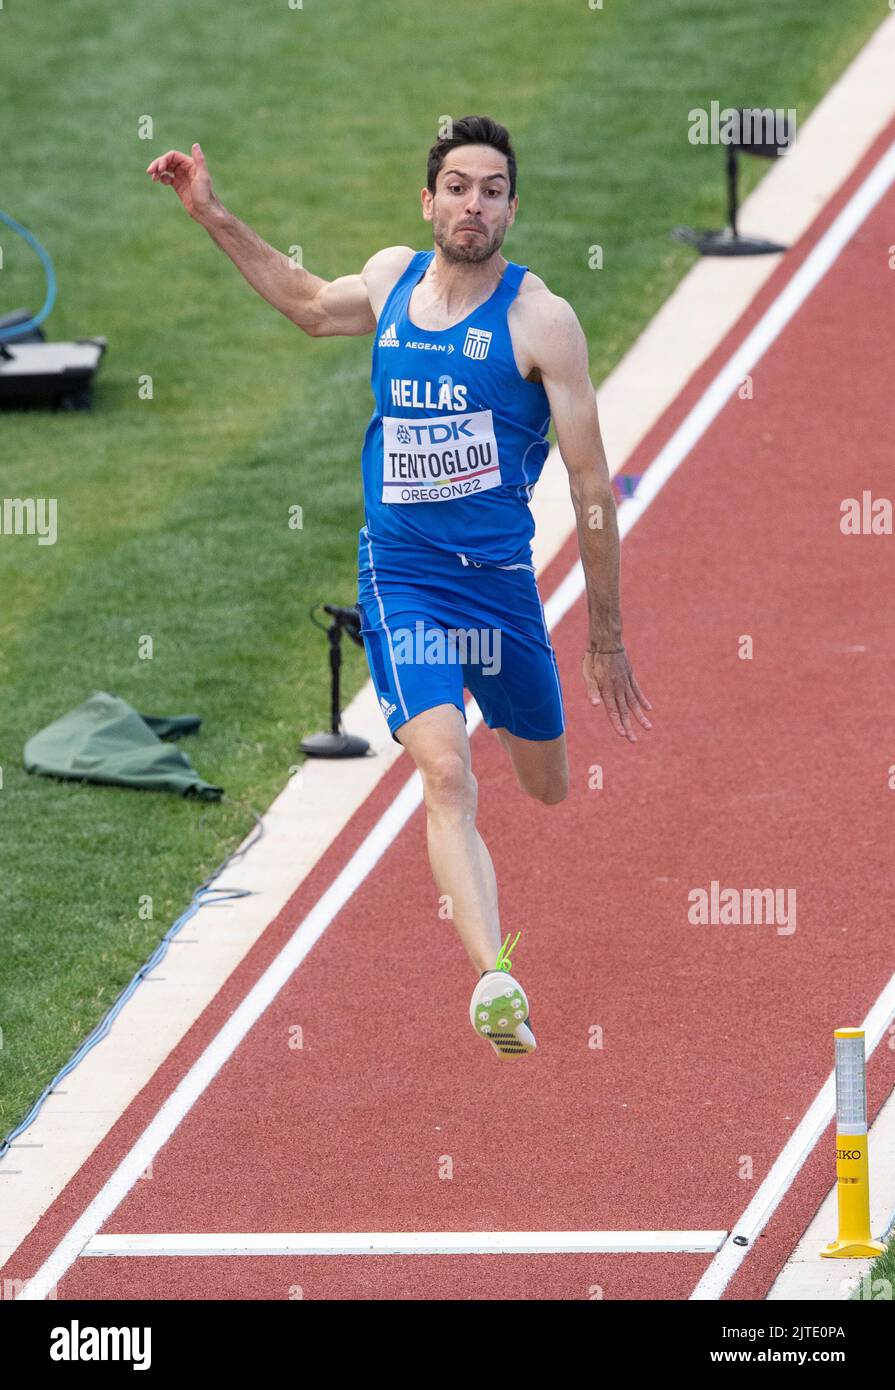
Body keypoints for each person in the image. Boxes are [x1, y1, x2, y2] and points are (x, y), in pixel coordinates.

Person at [146, 113, 652, 1058]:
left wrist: (607, 635)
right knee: (445, 770)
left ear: (511, 207)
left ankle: (516, 736)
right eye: (457, 187)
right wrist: (211, 214)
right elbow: (302, 301)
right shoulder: (390, 281)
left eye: (492, 190)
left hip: (498, 591)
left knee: (545, 785)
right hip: (403, 576)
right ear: (428, 202)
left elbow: (589, 485)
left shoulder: (542, 323)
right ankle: (493, 981)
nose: (473, 204)